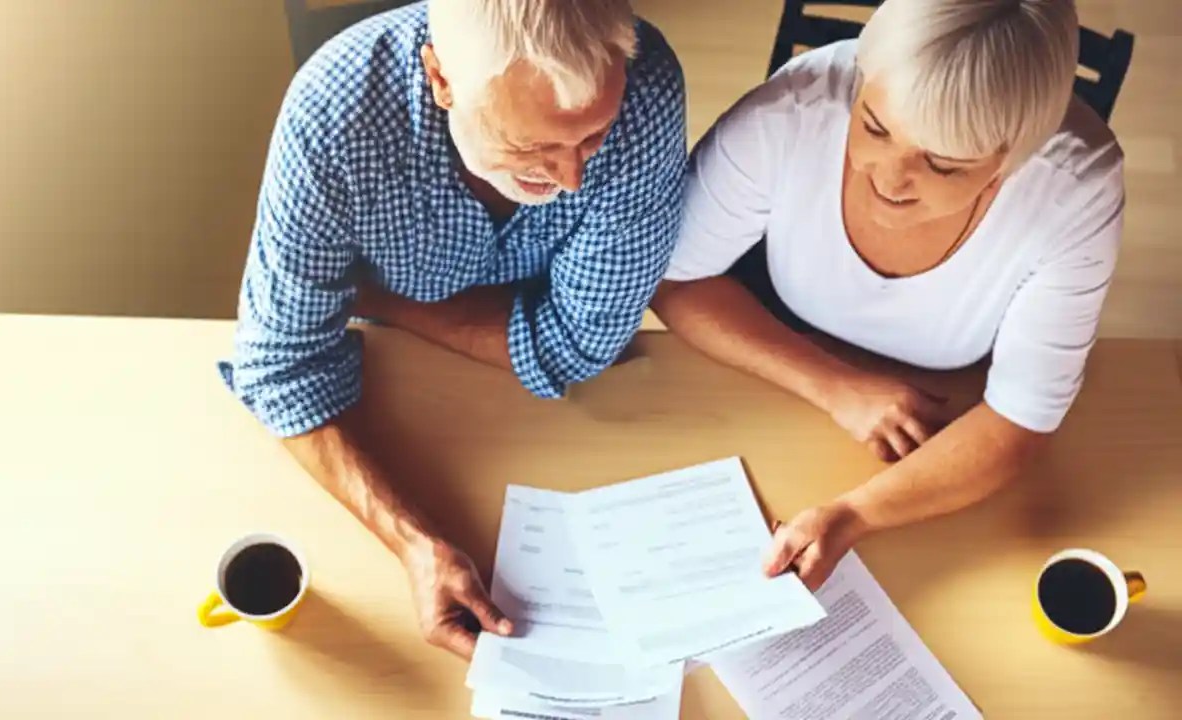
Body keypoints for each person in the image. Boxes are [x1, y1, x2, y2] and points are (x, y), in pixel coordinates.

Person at [220, 0, 685, 659]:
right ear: (441, 79)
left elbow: (582, 343)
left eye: (593, 137)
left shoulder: (647, 86)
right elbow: (282, 368)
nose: (572, 177)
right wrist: (414, 544)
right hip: (401, 384)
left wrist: (381, 297)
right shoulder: (330, 114)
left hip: (532, 415)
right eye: (529, 146)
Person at [653, 0, 1123, 590]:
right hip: (776, 359)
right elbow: (674, 278)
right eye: (875, 127)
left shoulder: (1075, 190)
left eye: (944, 164)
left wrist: (855, 514)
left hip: (947, 402)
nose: (887, 178)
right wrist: (835, 386)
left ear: (1015, 157)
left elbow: (1021, 419)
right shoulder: (790, 114)